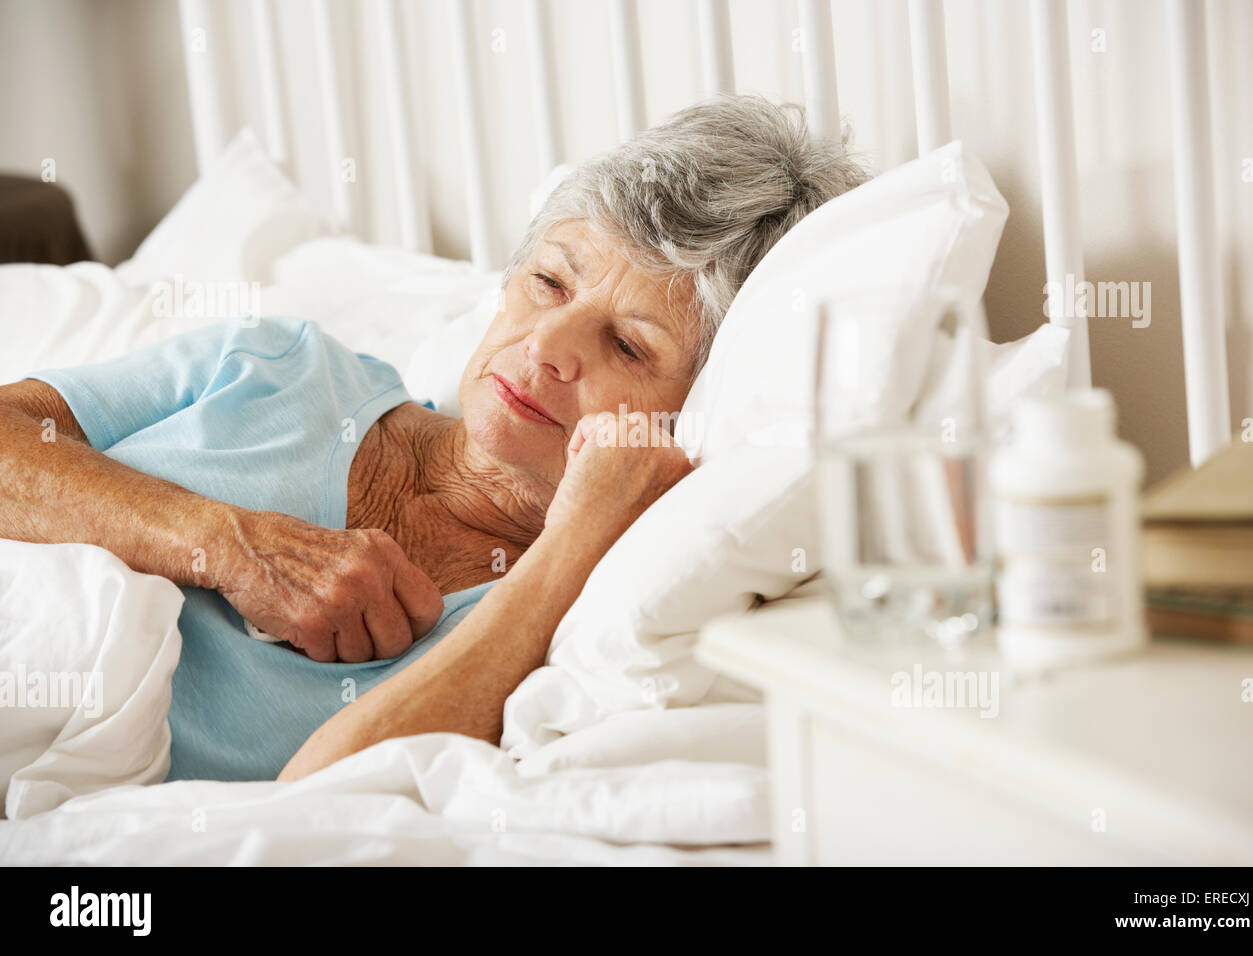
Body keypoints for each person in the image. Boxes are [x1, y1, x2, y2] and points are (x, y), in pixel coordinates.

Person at [0, 94, 871, 782]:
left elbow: (324, 797)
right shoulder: (279, 362)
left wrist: (568, 547)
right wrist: (226, 544)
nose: (546, 347)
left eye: (629, 346)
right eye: (549, 281)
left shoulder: (572, 622)